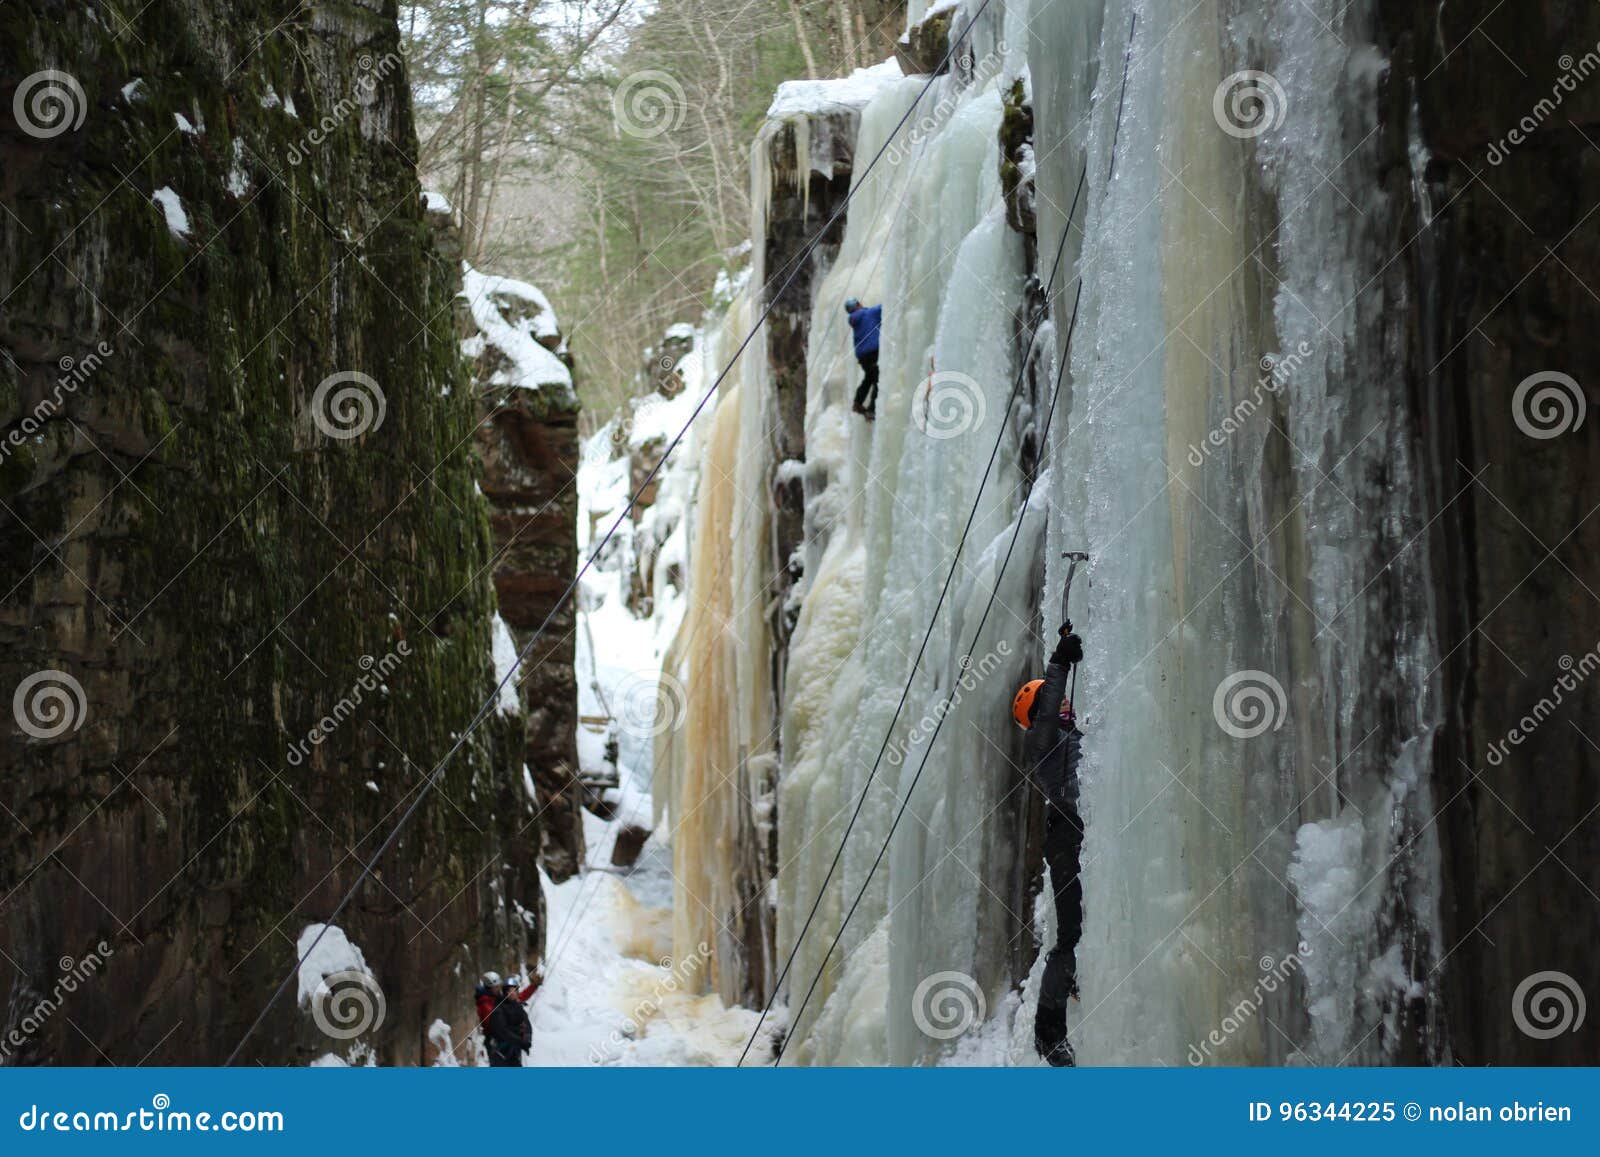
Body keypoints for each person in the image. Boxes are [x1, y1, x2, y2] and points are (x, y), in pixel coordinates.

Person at [1012, 621, 1085, 1067]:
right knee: (1071, 932)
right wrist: (1058, 662)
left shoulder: (1070, 738)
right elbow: (1043, 722)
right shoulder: (1043, 743)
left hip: (1074, 837)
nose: (1066, 703)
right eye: (1056, 699)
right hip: (1065, 838)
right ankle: (1048, 1031)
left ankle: (1073, 985)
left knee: (1082, 926)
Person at [479, 970, 541, 1067]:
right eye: (496, 987)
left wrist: (533, 986)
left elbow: (517, 998)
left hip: (512, 1047)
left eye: (499, 985)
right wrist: (519, 1037)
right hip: (498, 1047)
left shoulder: (503, 999)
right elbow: (501, 1029)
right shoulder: (487, 1005)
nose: (498, 988)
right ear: (489, 988)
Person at [844, 297, 882, 419]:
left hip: (862, 355)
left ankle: (858, 402)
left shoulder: (854, 320)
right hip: (873, 352)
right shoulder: (870, 313)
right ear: (858, 304)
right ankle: (872, 410)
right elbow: (886, 305)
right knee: (878, 379)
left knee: (869, 378)